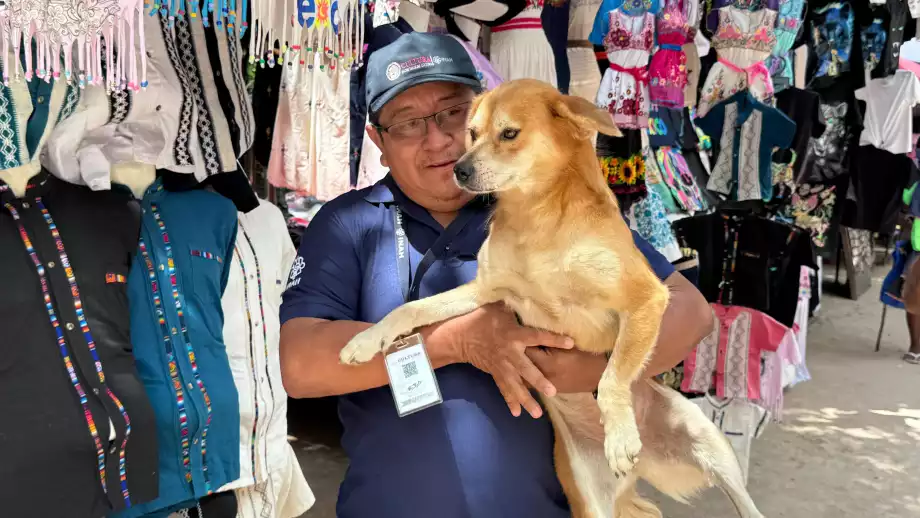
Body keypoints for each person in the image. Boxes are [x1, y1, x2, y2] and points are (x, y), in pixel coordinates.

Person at [279, 32, 713, 518]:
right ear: (377, 140)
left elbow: (687, 309)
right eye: (407, 123)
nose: (440, 139)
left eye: (453, 113)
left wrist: (586, 374)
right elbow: (299, 365)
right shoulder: (349, 223)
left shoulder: (545, 203)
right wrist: (452, 341)